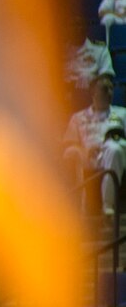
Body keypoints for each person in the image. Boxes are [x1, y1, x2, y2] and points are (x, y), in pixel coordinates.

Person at [63, 74, 126, 215]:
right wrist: (85, 150)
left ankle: (108, 206)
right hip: (86, 156)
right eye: (104, 89)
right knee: (72, 152)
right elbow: (69, 142)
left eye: (111, 89)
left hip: (110, 155)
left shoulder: (121, 114)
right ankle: (80, 208)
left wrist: (110, 143)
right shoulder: (78, 117)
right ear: (93, 93)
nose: (109, 93)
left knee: (114, 148)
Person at [66, 19, 114, 91]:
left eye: (79, 24)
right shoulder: (59, 52)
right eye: (72, 25)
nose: (76, 28)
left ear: (85, 27)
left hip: (92, 90)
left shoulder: (100, 49)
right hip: (65, 91)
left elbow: (107, 73)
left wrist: (92, 80)